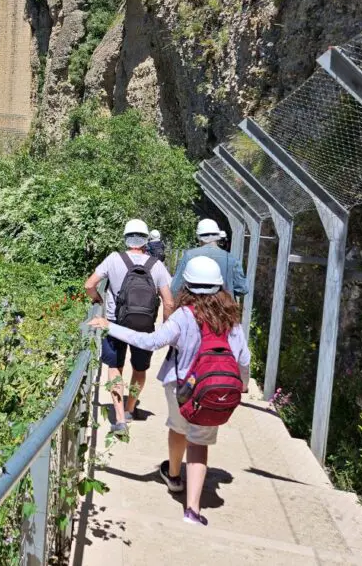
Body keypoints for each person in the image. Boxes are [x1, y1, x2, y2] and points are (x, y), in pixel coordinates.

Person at [89, 256, 250, 526]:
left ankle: (174, 476)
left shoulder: (183, 316)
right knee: (198, 444)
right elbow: (243, 358)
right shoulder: (230, 319)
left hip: (181, 387)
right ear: (219, 286)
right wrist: (241, 385)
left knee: (178, 429)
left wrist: (110, 326)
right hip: (213, 389)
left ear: (187, 286)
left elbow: (150, 341)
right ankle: (193, 510)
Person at [85, 219, 175, 438]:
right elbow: (169, 302)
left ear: (126, 238)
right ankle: (130, 409)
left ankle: (118, 418)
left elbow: (89, 285)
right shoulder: (156, 265)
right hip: (144, 326)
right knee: (139, 369)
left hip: (114, 323)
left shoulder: (114, 259)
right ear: (146, 240)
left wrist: (97, 299)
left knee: (115, 367)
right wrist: (165, 328)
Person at [171, 219, 248, 297]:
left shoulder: (189, 255)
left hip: (195, 302)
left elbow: (175, 287)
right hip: (223, 303)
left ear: (199, 237)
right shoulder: (231, 259)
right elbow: (242, 289)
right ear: (218, 236)